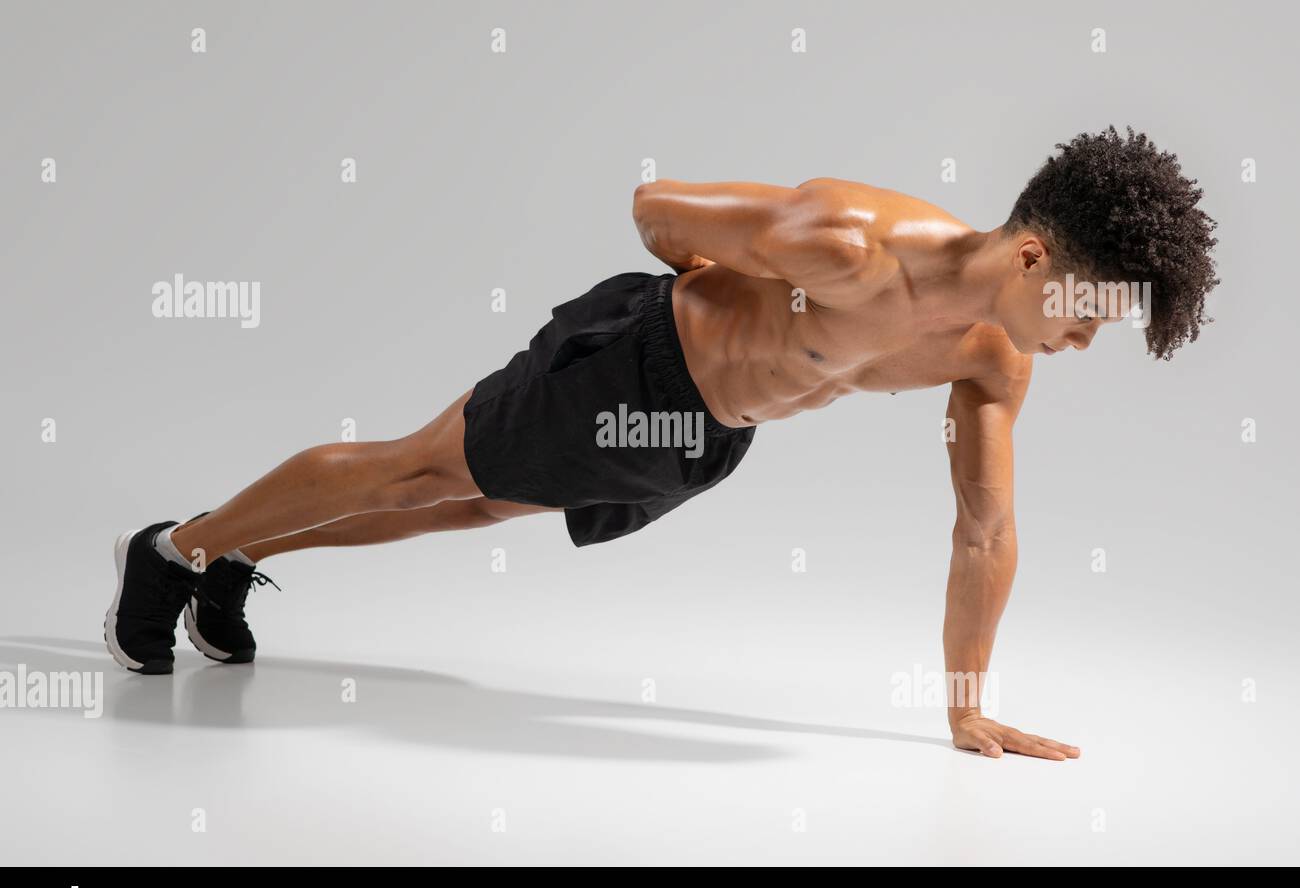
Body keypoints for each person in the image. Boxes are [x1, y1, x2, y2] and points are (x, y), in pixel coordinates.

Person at [105, 126, 1218, 759]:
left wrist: (963, 701)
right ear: (1032, 258)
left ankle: (236, 555)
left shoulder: (993, 358)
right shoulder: (849, 242)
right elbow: (656, 207)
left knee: (469, 503)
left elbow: (986, 527)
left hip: (702, 438)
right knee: (416, 470)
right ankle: (175, 548)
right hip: (632, 362)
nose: (1078, 342)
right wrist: (702, 280)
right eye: (1087, 314)